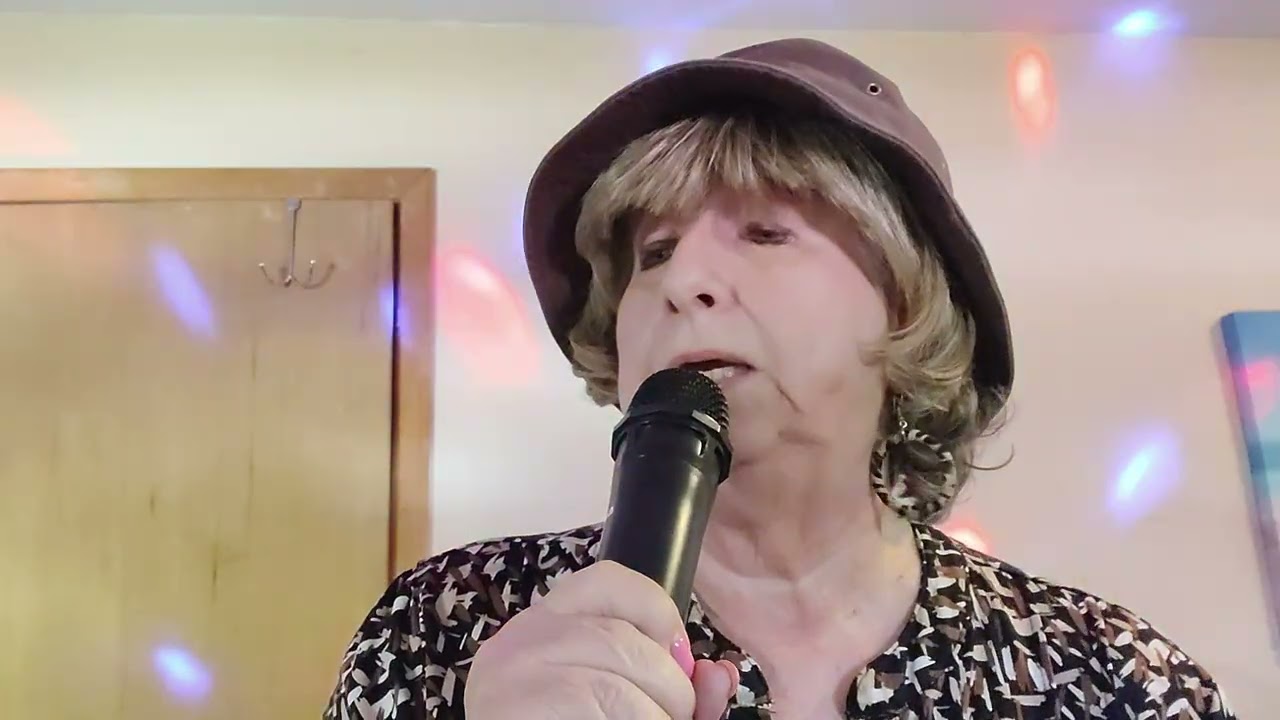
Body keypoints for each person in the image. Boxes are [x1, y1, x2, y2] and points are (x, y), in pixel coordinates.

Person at [323, 38, 1235, 720]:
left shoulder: (1111, 675)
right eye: (653, 252)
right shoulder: (442, 626)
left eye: (765, 233)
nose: (683, 280)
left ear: (907, 303)